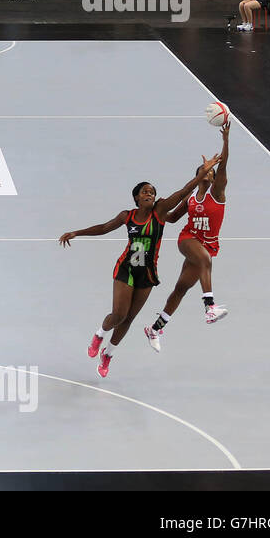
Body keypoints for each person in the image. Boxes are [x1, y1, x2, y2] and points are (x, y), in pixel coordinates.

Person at [58, 155, 222, 377]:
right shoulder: (128, 215)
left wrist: (204, 173)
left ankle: (108, 355)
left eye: (152, 191)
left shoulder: (161, 210)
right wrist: (77, 232)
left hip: (147, 272)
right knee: (118, 315)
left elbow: (184, 192)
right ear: (136, 197)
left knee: (130, 318)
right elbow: (105, 227)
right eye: (145, 191)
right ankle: (99, 334)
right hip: (127, 267)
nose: (149, 194)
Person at [146, 123, 232, 351]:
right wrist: (155, 214)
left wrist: (226, 140)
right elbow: (173, 218)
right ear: (199, 176)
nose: (209, 174)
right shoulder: (193, 197)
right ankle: (210, 306)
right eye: (205, 171)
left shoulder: (218, 192)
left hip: (208, 245)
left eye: (211, 172)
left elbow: (223, 167)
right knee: (205, 260)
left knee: (181, 288)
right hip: (188, 240)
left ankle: (155, 328)